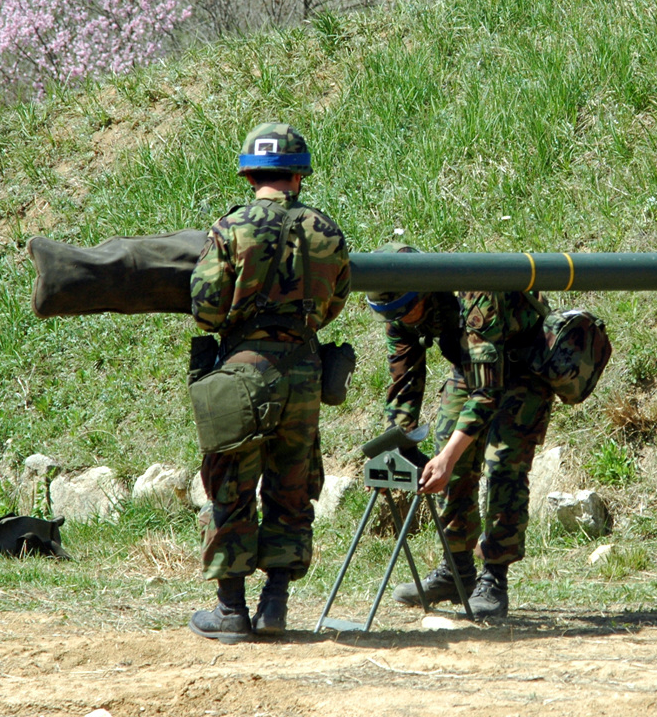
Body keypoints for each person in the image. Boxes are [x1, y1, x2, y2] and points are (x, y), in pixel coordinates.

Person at [187, 122, 350, 643]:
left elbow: (206, 309)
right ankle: (274, 604)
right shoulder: (327, 231)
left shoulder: (230, 228)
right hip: (304, 372)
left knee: (231, 484)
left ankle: (231, 610)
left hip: (243, 370)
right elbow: (334, 302)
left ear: (250, 175)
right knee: (292, 486)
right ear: (298, 177)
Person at [366, 250, 553, 619]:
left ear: (424, 292)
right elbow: (404, 384)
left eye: (407, 310)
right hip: (472, 368)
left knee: (503, 462)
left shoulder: (475, 293)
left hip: (523, 367)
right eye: (391, 313)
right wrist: (394, 450)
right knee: (446, 452)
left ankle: (494, 578)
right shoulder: (397, 309)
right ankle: (457, 571)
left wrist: (448, 457)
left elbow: (487, 393)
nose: (402, 318)